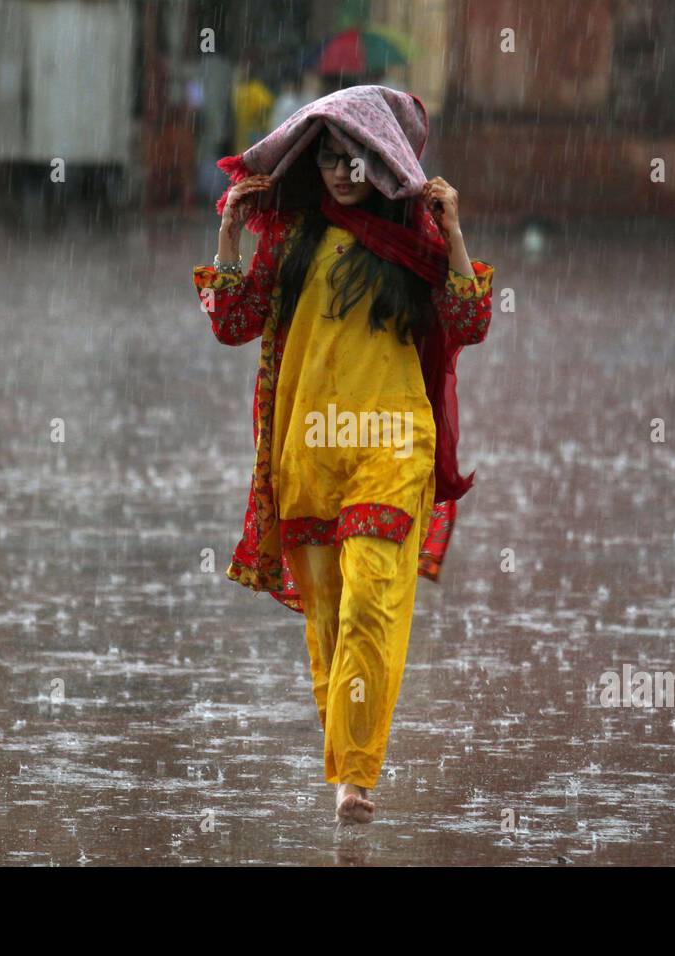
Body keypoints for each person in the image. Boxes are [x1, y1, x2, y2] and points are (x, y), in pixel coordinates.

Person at [191, 85, 494, 825]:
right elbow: (232, 323)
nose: (341, 173)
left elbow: (470, 319)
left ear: (383, 163)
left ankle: (356, 777)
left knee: (370, 604)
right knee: (328, 619)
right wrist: (231, 233)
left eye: (356, 159)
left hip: (393, 450)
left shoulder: (413, 238)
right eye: (328, 158)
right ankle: (347, 763)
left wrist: (454, 237)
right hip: (308, 457)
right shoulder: (293, 238)